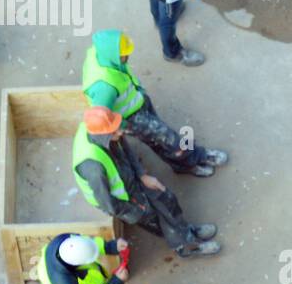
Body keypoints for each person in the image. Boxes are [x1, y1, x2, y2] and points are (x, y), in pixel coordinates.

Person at [73, 107, 220, 259]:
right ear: (103, 136)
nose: (121, 132)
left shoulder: (100, 128)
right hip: (122, 200)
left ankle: (187, 231)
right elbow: (108, 204)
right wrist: (136, 212)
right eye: (115, 132)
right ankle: (187, 246)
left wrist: (142, 175)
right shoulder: (93, 168)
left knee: (167, 200)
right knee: (155, 219)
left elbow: (124, 148)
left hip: (128, 177)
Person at [83, 29, 227, 176]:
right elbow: (101, 119)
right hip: (129, 118)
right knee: (169, 138)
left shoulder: (101, 53)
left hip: (136, 101)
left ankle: (182, 166)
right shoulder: (104, 88)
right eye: (123, 55)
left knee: (157, 140)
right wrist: (123, 126)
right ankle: (199, 156)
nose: (127, 56)